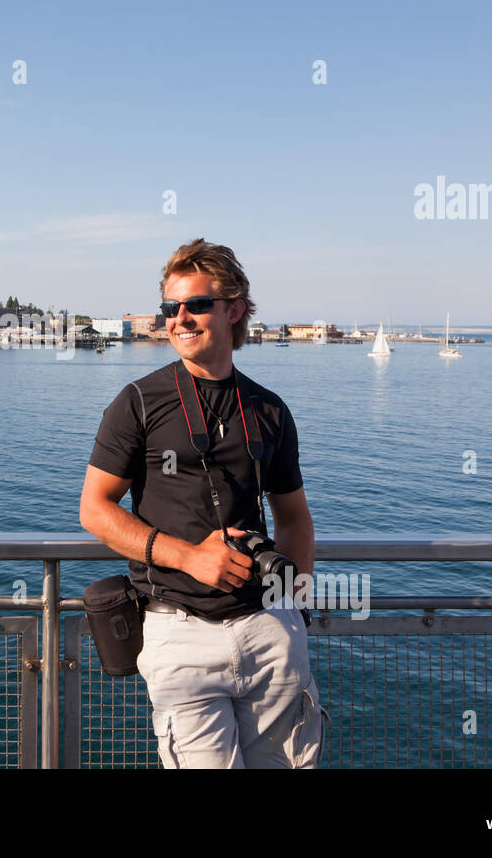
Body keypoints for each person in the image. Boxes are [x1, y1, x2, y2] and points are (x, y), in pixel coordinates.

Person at [78, 237, 327, 768]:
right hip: (178, 631)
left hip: (268, 631)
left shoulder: (270, 410)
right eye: (171, 308)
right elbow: (95, 508)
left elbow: (293, 515)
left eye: (196, 304)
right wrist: (188, 557)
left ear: (234, 309)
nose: (180, 318)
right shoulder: (138, 402)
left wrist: (294, 606)